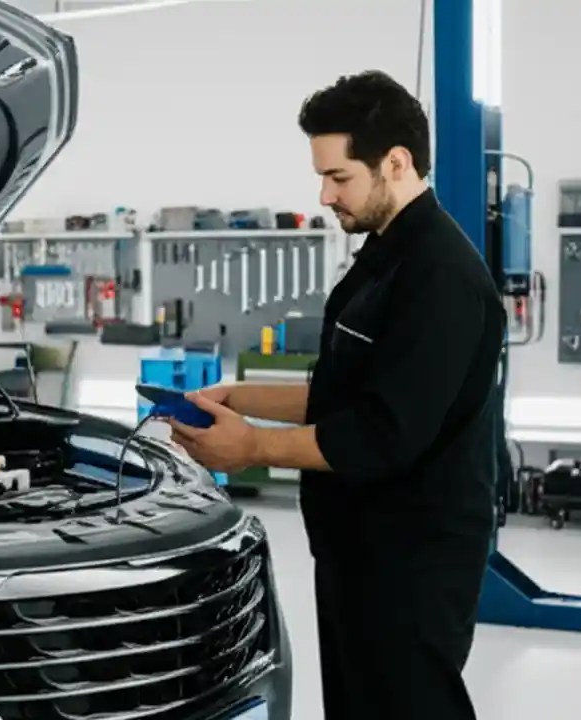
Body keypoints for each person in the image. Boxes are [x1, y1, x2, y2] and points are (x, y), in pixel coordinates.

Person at [167, 70, 505, 720]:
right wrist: (239, 398)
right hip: (358, 544)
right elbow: (344, 391)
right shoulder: (382, 256)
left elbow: (381, 430)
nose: (324, 195)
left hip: (412, 558)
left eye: (338, 177)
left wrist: (252, 448)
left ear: (396, 163)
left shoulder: (440, 278)